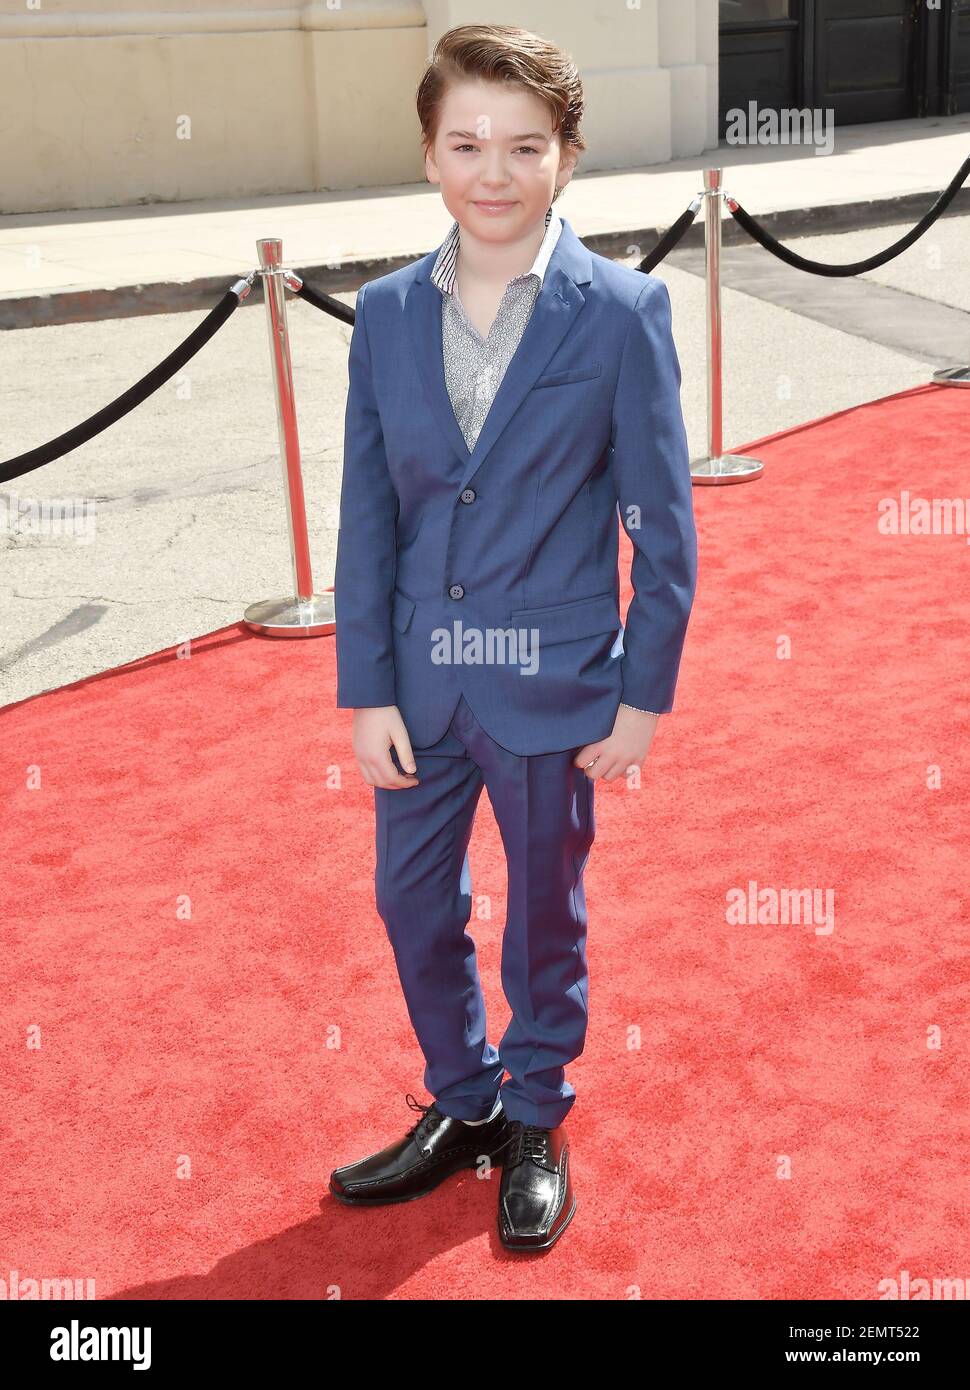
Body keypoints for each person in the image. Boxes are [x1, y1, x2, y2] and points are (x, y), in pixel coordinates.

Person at [329, 23, 697, 1252]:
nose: (494, 171)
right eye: (466, 143)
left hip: (556, 686)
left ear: (567, 158)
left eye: (523, 146)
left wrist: (640, 697)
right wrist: (364, 686)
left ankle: (537, 1112)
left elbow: (661, 520)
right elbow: (370, 511)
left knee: (546, 913)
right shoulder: (383, 314)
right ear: (430, 156)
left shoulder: (624, 310)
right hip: (421, 685)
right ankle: (467, 1098)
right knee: (407, 899)